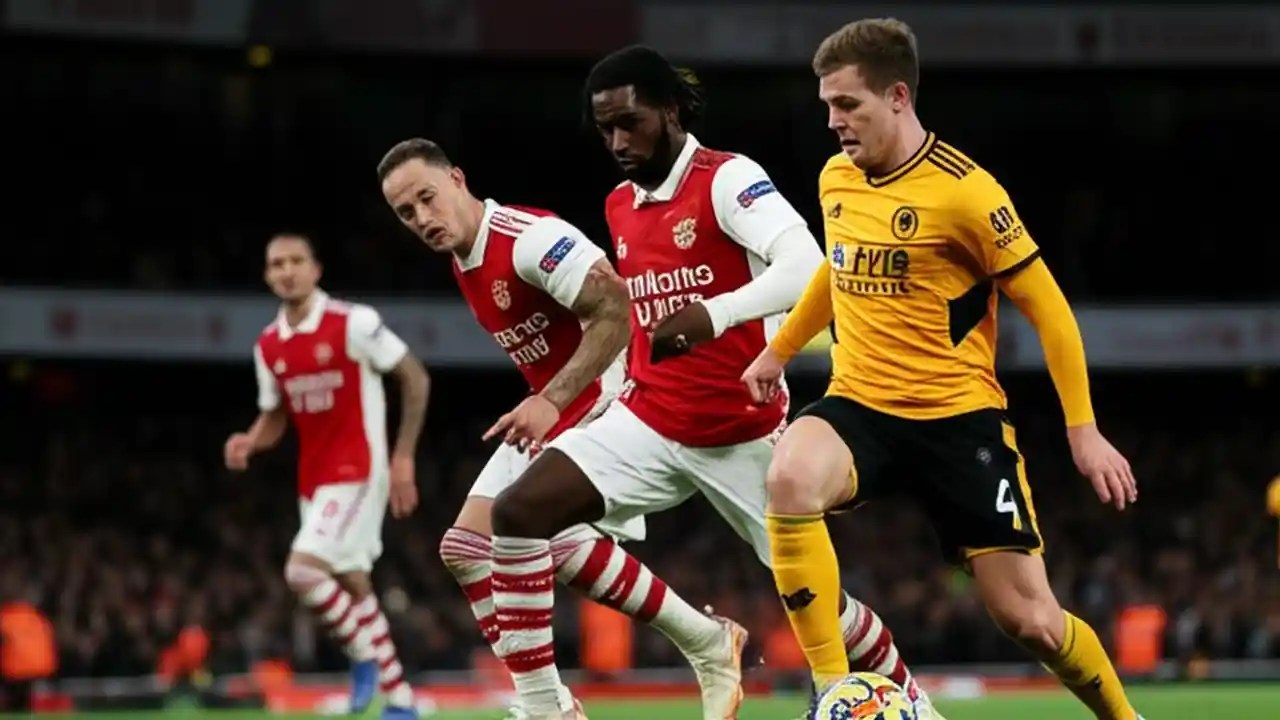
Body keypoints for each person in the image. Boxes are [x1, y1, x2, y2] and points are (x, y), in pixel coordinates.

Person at [484, 46, 942, 720]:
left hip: (743, 435)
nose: (617, 141)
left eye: (630, 123)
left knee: (827, 609)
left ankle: (914, 703)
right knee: (516, 514)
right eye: (605, 128)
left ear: (670, 110)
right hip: (648, 422)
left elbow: (809, 266)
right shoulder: (619, 204)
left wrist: (715, 315)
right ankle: (543, 708)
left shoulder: (726, 179)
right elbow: (642, 316)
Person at [741, 18, 1145, 720]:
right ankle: (835, 694)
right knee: (788, 476)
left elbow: (1050, 311)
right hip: (860, 406)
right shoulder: (837, 177)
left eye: (848, 105)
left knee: (1032, 622)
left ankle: (1124, 718)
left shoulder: (967, 194)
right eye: (827, 105)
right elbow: (837, 274)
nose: (833, 122)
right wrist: (780, 350)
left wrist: (1083, 430)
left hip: (958, 423)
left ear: (898, 96)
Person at [377, 138, 749, 720]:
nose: (423, 218)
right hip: (561, 400)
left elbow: (618, 308)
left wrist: (550, 401)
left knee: (496, 537)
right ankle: (698, 641)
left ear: (457, 178)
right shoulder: (463, 257)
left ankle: (546, 707)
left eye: (427, 198)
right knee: (468, 548)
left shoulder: (527, 238)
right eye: (406, 213)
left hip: (609, 393)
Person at [223, 233, 429, 720]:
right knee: (355, 584)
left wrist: (403, 457)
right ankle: (401, 703)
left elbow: (415, 377)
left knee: (302, 570)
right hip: (313, 480)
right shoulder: (269, 345)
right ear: (267, 275)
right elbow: (275, 416)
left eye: (296, 261)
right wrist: (250, 441)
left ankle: (361, 657)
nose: (286, 271)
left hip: (359, 467)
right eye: (277, 264)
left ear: (316, 270)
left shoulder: (353, 322)